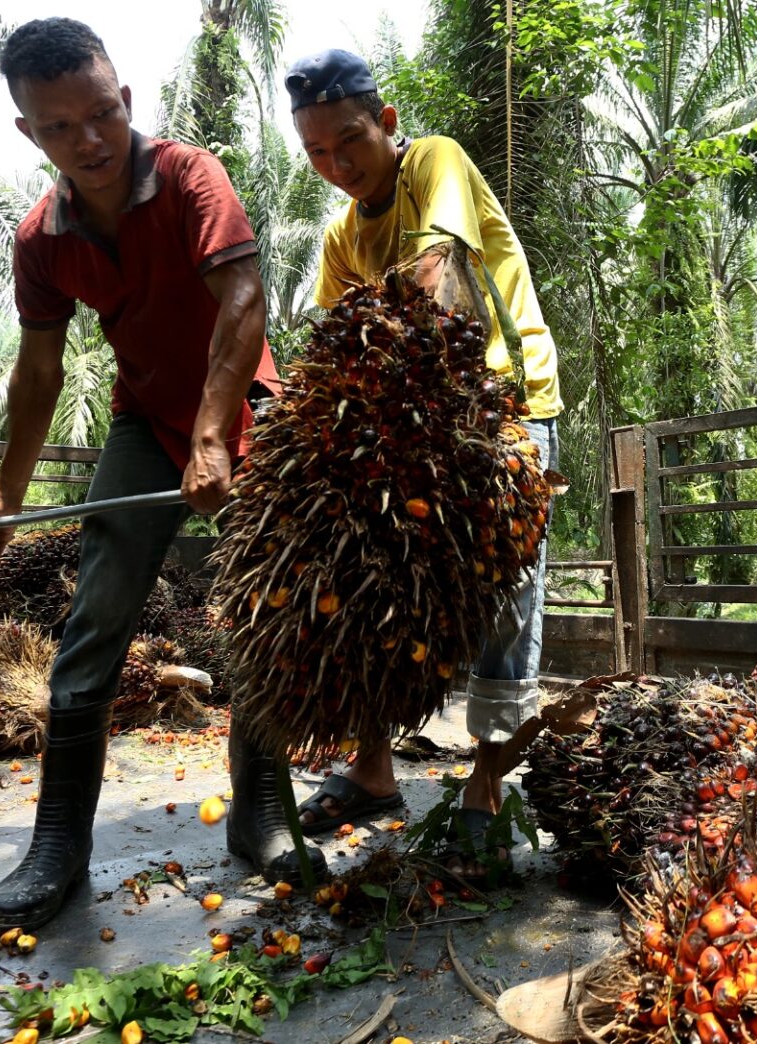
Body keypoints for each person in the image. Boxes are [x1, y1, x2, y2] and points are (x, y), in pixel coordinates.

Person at [0, 17, 322, 930]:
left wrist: (213, 437)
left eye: (102, 113)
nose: (88, 140)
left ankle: (261, 809)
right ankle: (58, 847)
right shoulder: (42, 237)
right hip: (142, 419)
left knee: (264, 612)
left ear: (124, 96)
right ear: (28, 133)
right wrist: (8, 490)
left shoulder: (192, 176)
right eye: (59, 127)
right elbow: (38, 371)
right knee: (95, 618)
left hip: (242, 414)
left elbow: (243, 301)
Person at [285, 49, 563, 878]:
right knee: (379, 584)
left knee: (505, 597)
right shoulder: (341, 237)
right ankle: (373, 771)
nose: (338, 165)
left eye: (350, 141)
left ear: (388, 124)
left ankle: (485, 791)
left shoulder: (434, 161)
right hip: (415, 429)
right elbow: (339, 353)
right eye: (318, 154)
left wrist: (392, 385)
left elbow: (437, 280)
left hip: (506, 410)